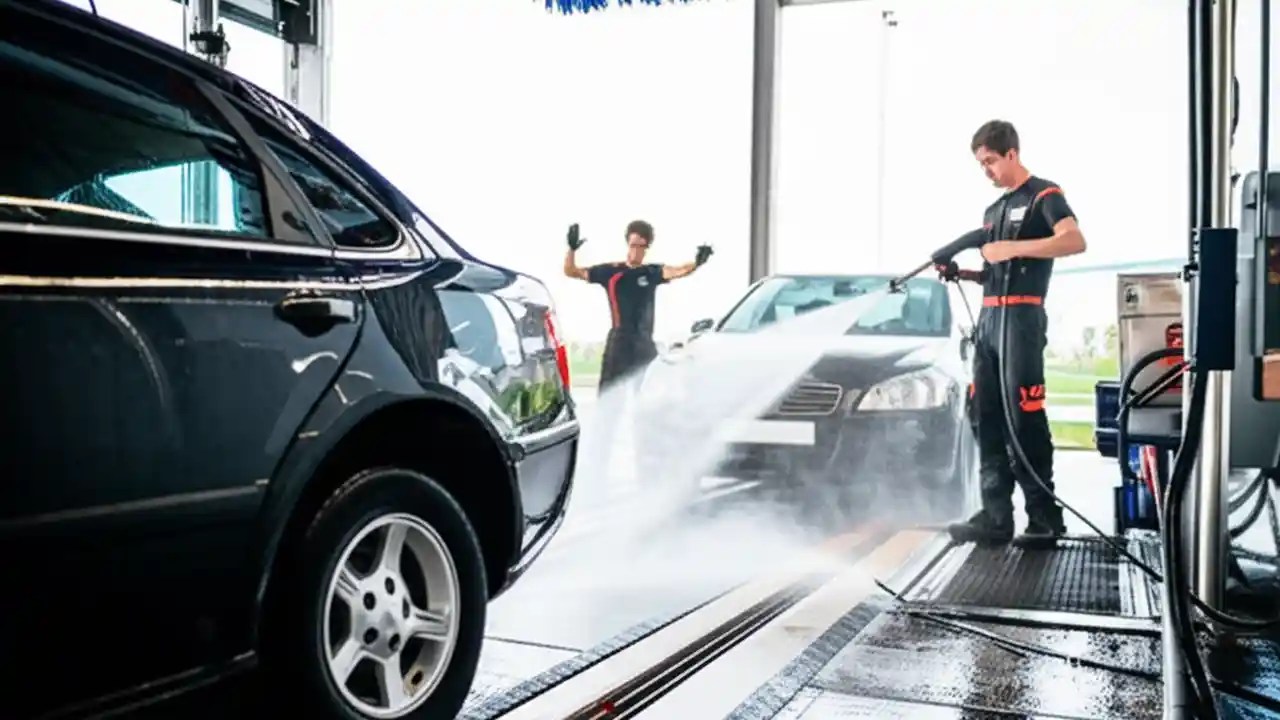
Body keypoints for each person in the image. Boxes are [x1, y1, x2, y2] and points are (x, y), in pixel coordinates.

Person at [937, 120, 1087, 550]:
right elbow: (993, 270)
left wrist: (1014, 248)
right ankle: (995, 516)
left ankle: (1044, 517)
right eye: (980, 164)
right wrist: (961, 269)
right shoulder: (994, 211)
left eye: (989, 162)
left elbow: (1074, 241)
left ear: (1011, 154)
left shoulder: (1046, 195)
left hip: (1021, 323)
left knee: (1025, 418)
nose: (986, 171)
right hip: (989, 323)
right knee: (986, 418)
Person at [563, 219, 712, 392]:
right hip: (620, 342)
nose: (636, 251)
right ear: (628, 243)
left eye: (641, 246)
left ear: (646, 248)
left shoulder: (652, 272)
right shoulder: (611, 272)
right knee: (608, 394)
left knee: (646, 394)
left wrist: (697, 263)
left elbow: (678, 271)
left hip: (644, 343)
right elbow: (571, 271)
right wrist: (572, 249)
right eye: (633, 245)